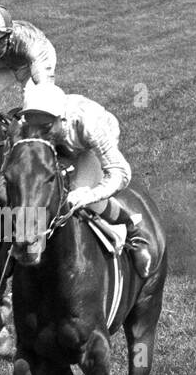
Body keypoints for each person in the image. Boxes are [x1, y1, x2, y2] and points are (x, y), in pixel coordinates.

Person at [19, 81, 155, 277]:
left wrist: (90, 195)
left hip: (86, 148)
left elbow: (120, 172)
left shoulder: (89, 124)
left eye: (46, 127)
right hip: (60, 145)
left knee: (75, 192)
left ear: (61, 119)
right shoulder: (29, 126)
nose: (38, 134)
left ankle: (132, 231)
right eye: (33, 128)